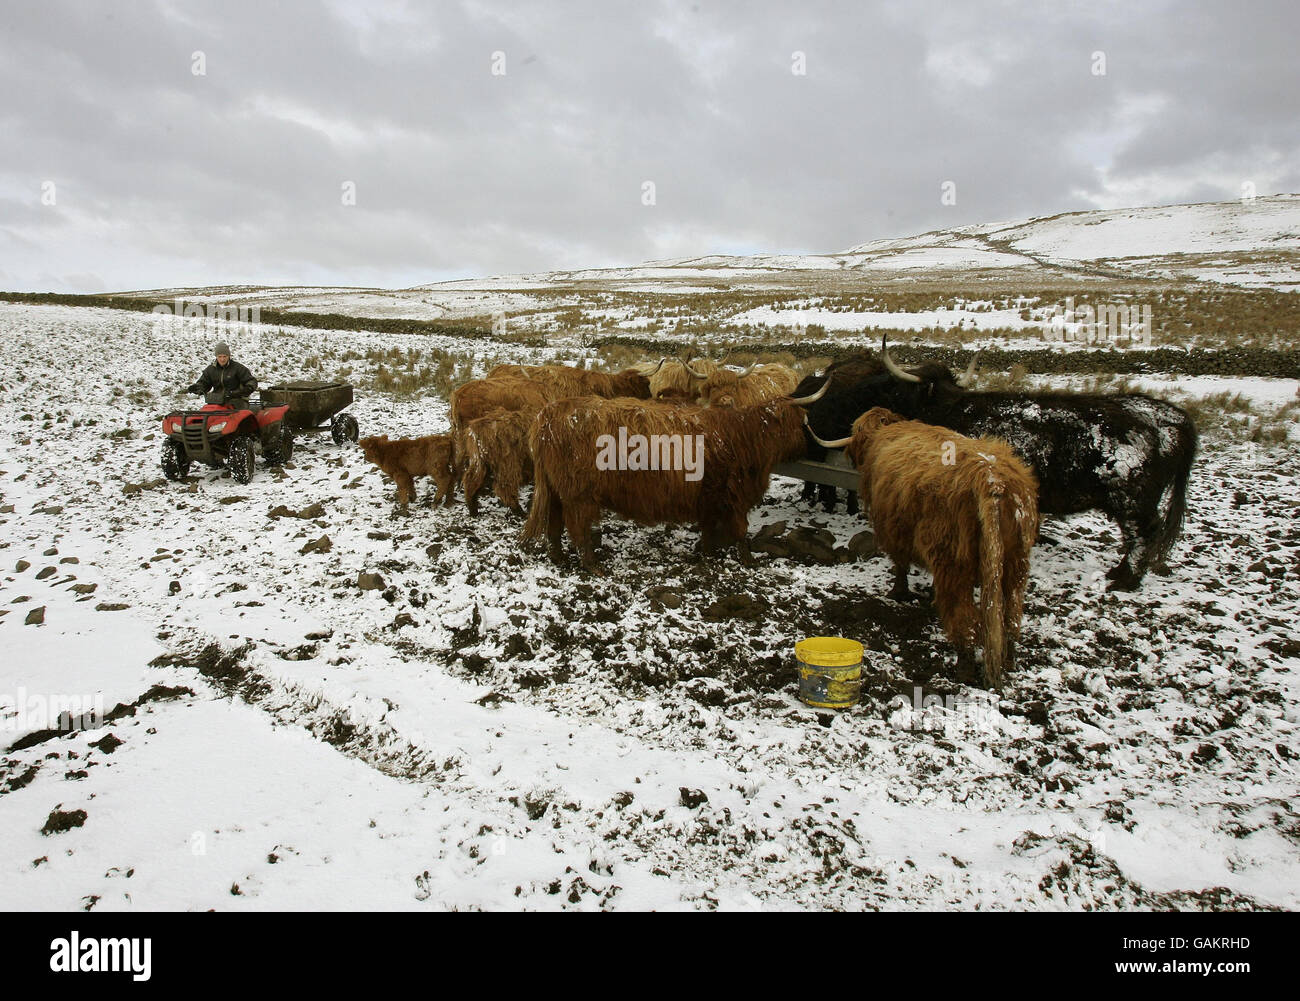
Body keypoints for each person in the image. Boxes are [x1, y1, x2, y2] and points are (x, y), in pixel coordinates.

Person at [187, 341, 257, 409]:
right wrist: (198, 388)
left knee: (234, 418)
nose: (222, 359)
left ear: (229, 356)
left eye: (225, 356)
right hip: (216, 400)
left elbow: (251, 380)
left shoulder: (238, 368)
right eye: (220, 356)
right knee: (206, 413)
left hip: (237, 400)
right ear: (216, 356)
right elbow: (204, 383)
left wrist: (248, 388)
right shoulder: (211, 370)